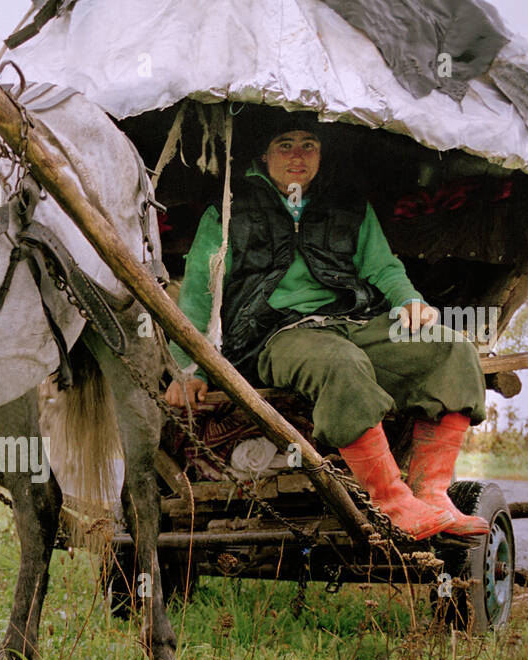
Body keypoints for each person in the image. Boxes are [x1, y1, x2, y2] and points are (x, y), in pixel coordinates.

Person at [165, 109, 488, 539]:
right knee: (341, 363)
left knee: (451, 348)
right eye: (285, 145)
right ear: (264, 154)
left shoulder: (346, 204)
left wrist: (410, 301)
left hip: (351, 319)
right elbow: (197, 296)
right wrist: (189, 368)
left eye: (309, 145)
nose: (297, 155)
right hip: (272, 333)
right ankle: (390, 502)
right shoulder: (228, 210)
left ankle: (431, 495)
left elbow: (383, 267)